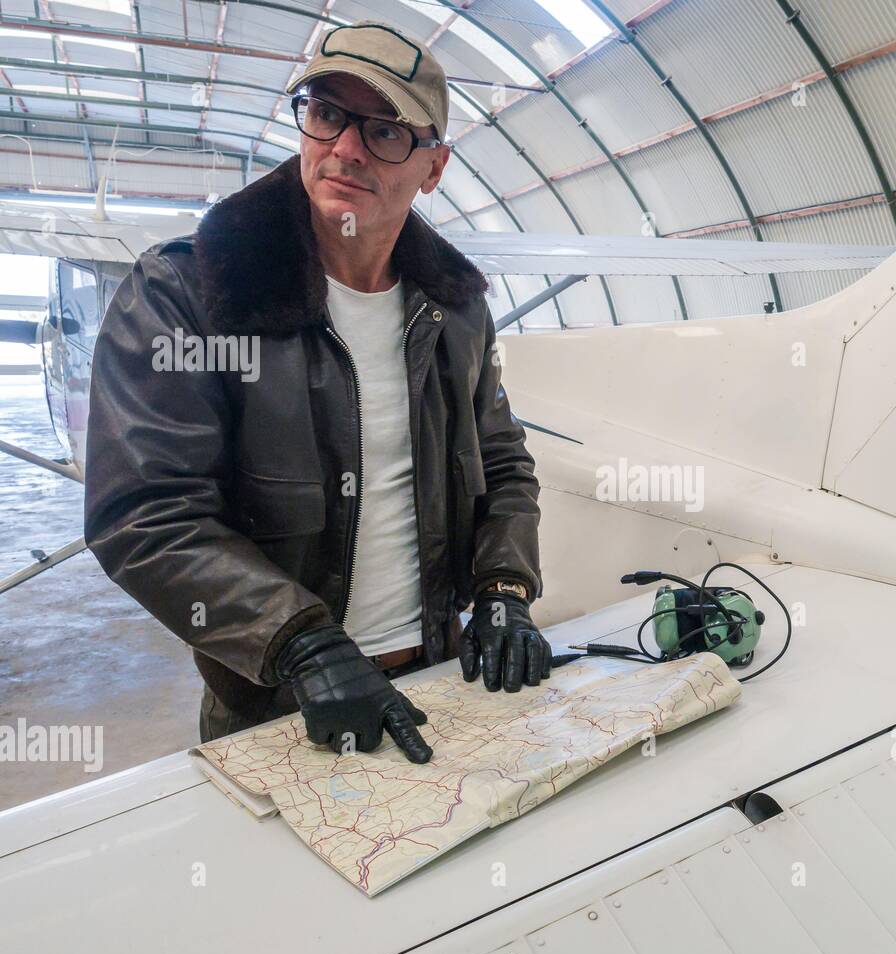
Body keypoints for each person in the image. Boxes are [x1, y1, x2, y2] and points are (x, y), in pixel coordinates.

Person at [84, 21, 551, 764]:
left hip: (440, 682)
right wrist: (299, 642)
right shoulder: (190, 292)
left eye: (386, 130)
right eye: (327, 112)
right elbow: (144, 514)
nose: (347, 148)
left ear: (434, 167)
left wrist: (504, 584)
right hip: (280, 706)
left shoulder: (455, 308)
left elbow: (505, 464)